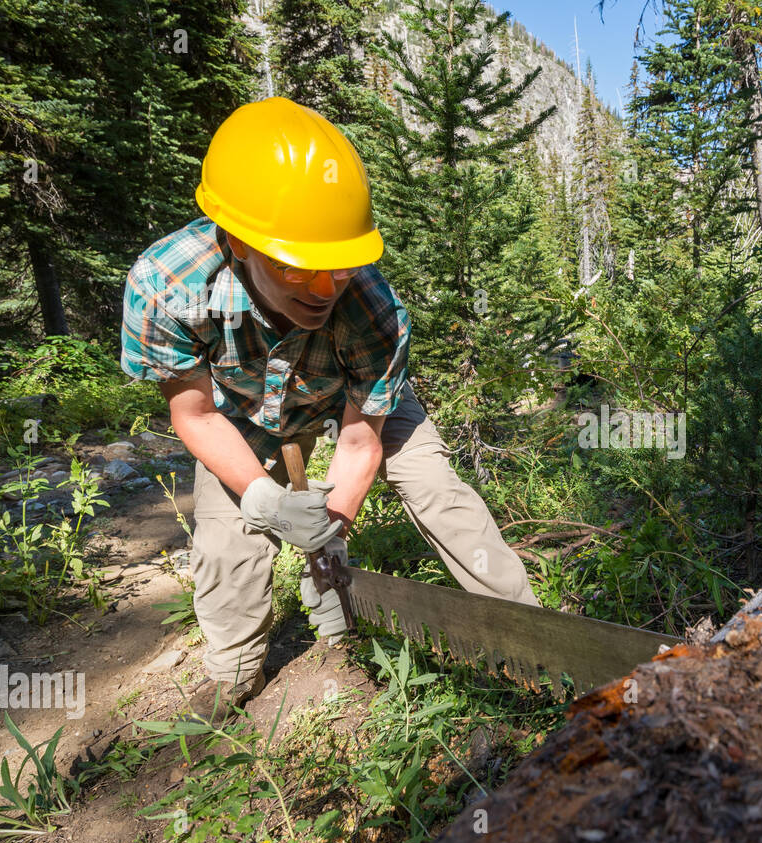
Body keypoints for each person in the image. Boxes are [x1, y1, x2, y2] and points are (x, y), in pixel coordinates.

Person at [120, 96, 539, 724]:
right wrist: (264, 501)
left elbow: (360, 444)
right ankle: (232, 682)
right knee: (228, 547)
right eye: (300, 268)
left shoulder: (371, 308)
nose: (325, 288)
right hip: (240, 413)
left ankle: (536, 645)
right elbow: (197, 415)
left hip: (350, 402)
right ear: (237, 240)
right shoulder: (168, 287)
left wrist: (328, 539)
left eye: (340, 266)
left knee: (436, 488)